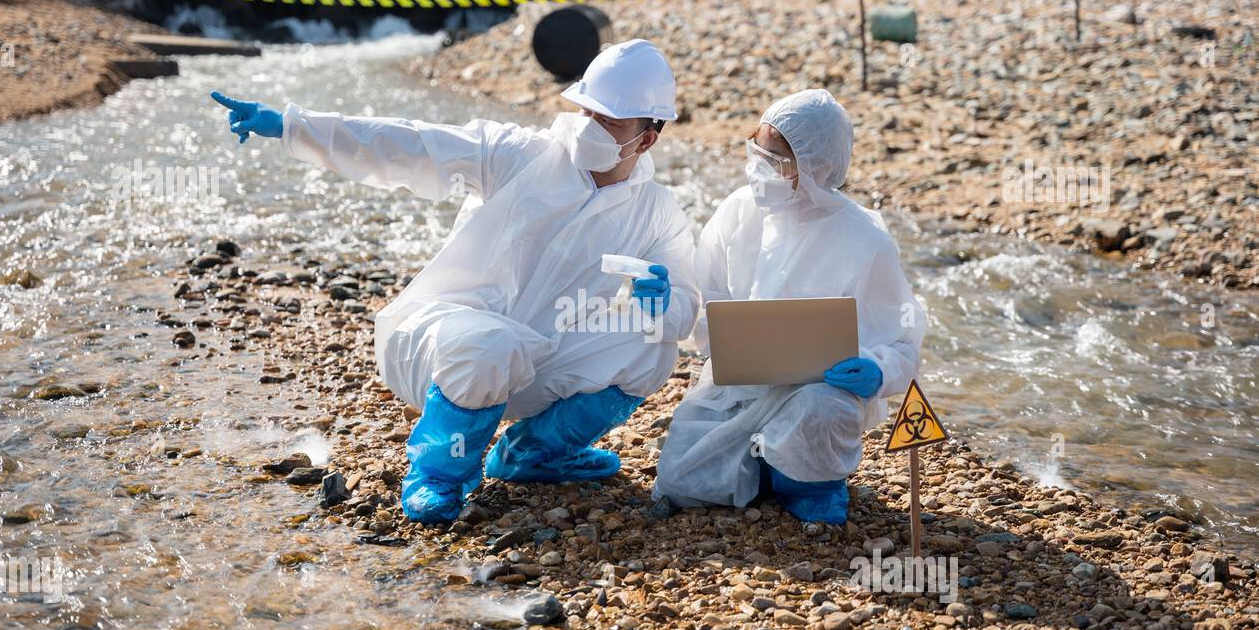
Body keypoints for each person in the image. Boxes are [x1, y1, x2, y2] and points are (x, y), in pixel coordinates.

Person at [210, 39, 699, 525]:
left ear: (647, 138)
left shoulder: (656, 214)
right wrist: (294, 126)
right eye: (586, 112)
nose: (589, 127)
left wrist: (662, 302)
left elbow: (684, 308)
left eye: (609, 122)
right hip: (439, 345)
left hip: (535, 363)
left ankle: (534, 456)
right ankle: (437, 475)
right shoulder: (519, 155)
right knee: (491, 344)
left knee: (651, 348)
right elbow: (410, 145)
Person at [653, 89, 925, 527]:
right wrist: (669, 302)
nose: (759, 169)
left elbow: (902, 338)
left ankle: (810, 484)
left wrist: (878, 370)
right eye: (756, 151)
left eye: (776, 160)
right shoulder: (739, 212)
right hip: (740, 386)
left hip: (817, 392)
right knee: (680, 481)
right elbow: (706, 306)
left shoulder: (864, 239)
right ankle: (768, 464)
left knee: (824, 411)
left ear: (817, 167)